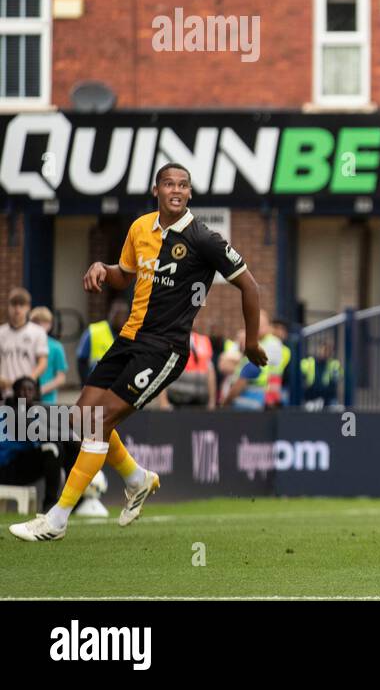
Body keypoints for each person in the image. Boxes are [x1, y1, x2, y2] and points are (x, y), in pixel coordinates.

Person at [9, 162, 266, 542]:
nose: (176, 190)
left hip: (165, 349)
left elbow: (251, 286)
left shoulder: (204, 239)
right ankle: (136, 478)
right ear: (156, 189)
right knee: (83, 419)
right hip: (128, 339)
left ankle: (57, 518)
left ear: (190, 193)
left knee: (99, 422)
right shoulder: (140, 228)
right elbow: (125, 274)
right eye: (168, 184)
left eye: (183, 185)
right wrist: (102, 268)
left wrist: (251, 342)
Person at [0, 377, 62, 512]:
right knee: (52, 448)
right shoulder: (10, 411)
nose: (26, 393)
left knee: (59, 447)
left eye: (30, 390)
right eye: (22, 389)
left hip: (20, 465)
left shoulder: (34, 413)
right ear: (14, 392)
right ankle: (49, 505)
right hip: (5, 469)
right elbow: (37, 432)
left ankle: (75, 500)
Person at [222, 310, 285, 411]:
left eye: (261, 324)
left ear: (268, 327)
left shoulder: (273, 343)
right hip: (249, 395)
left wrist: (225, 403)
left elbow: (250, 370)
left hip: (260, 397)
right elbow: (223, 365)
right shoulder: (247, 340)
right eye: (254, 323)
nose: (257, 327)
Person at [0, 288, 48, 398]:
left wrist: (28, 380)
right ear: (8, 307)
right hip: (4, 392)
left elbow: (42, 363)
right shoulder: (1, 332)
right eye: (14, 305)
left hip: (28, 393)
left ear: (28, 308)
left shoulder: (38, 332)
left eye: (21, 305)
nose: (17, 309)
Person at [76, 300, 130, 386]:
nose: (120, 318)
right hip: (97, 385)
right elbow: (81, 360)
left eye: (123, 315)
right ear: (111, 314)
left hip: (121, 388)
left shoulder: (131, 335)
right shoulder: (94, 331)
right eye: (117, 314)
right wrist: (85, 385)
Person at [165, 325, 217, 409]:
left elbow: (210, 371)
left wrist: (212, 401)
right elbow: (165, 369)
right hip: (177, 399)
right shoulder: (174, 340)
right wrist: (164, 402)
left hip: (200, 399)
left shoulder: (204, 340)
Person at [28, 307, 67, 405]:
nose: (39, 326)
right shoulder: (24, 345)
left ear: (49, 325)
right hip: (24, 400)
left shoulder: (56, 347)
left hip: (47, 402)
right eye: (35, 322)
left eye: (43, 323)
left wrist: (41, 390)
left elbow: (61, 378)